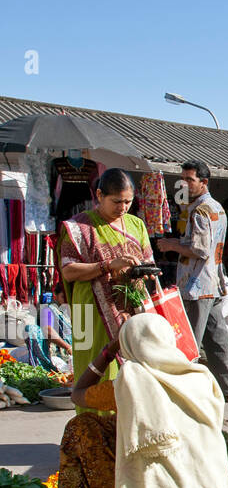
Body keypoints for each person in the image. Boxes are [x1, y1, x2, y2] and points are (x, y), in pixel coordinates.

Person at [61, 314, 228, 488]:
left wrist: (107, 353)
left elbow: (77, 394)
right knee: (115, 426)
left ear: (128, 344)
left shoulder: (129, 384)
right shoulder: (200, 376)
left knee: (81, 428)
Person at [57, 168, 154, 404]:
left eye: (128, 202)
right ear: (99, 195)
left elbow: (148, 259)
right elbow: (68, 271)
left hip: (128, 307)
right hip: (87, 309)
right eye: (117, 201)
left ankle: (123, 431)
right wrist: (108, 265)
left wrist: (146, 272)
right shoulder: (78, 227)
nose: (122, 208)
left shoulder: (136, 225)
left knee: (134, 365)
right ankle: (91, 429)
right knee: (90, 364)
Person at [157, 161, 228, 404]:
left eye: (189, 179)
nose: (184, 183)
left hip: (197, 285)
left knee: (190, 341)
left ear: (203, 182)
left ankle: (185, 394)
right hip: (211, 283)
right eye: (182, 179)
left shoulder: (202, 210)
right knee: (217, 340)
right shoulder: (214, 207)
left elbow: (200, 249)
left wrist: (171, 244)